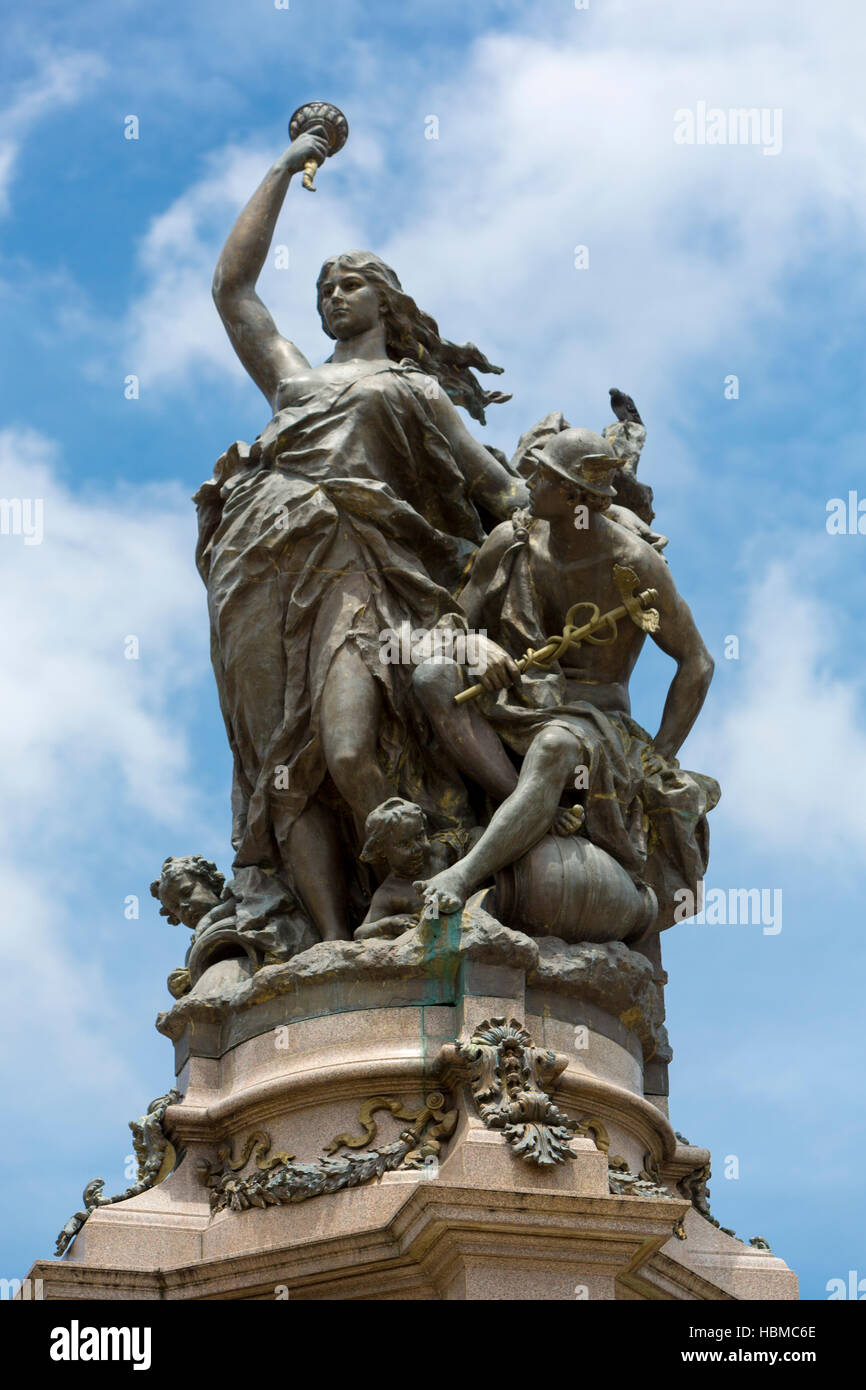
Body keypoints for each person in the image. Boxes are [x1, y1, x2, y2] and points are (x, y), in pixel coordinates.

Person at [199, 129, 527, 941]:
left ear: (387, 300)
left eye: (350, 284)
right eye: (324, 288)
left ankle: (406, 885)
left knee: (343, 748)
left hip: (356, 564)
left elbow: (499, 489)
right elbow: (232, 289)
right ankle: (325, 942)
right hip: (253, 566)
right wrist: (284, 165)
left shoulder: (412, 389)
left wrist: (583, 504)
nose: (333, 297)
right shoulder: (293, 379)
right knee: (275, 770)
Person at [411, 429, 719, 925]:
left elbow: (698, 663)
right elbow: (449, 625)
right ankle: (534, 807)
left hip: (595, 720)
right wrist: (472, 645)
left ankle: (463, 875)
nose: (528, 482)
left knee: (555, 747)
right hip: (521, 697)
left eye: (544, 476)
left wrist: (659, 757)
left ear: (576, 496)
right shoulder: (511, 541)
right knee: (431, 679)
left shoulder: (633, 564)